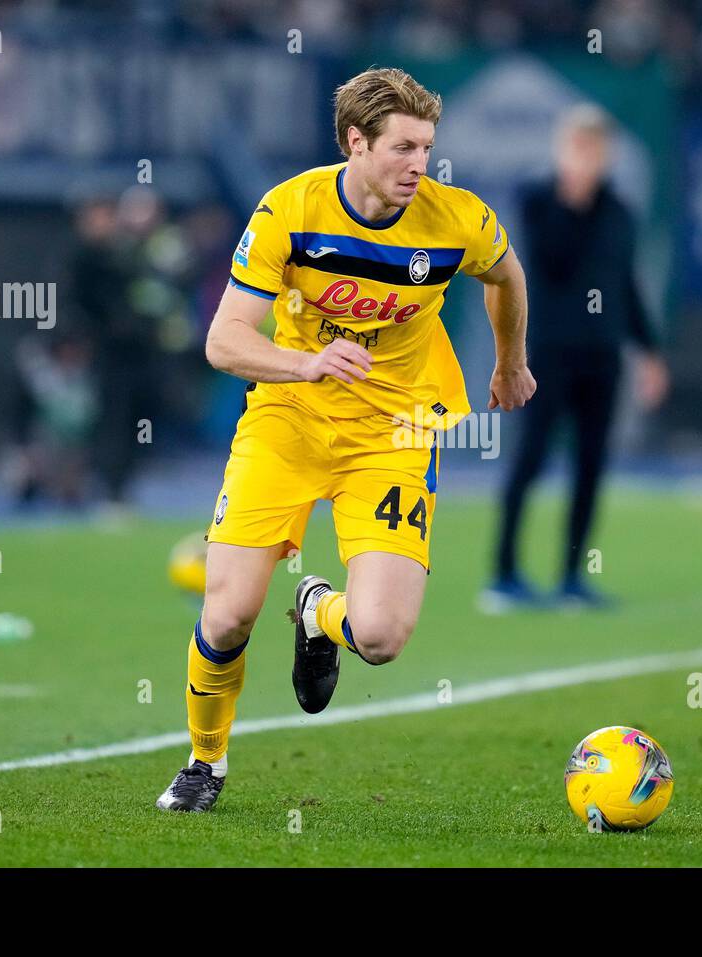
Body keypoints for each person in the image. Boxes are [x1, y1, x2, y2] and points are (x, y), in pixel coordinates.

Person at [156, 67, 536, 812]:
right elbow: (224, 341)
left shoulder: (455, 217)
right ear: (355, 142)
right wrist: (305, 361)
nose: (418, 165)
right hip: (289, 420)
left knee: (382, 635)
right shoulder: (290, 209)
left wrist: (512, 361)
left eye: (426, 146)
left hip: (395, 432)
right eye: (402, 147)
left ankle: (317, 611)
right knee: (228, 611)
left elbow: (507, 275)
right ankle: (205, 761)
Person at [481, 104, 669, 612]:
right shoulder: (539, 201)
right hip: (548, 355)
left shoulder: (620, 212)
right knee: (531, 459)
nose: (587, 156)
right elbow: (552, 263)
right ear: (562, 149)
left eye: (596, 147)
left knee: (590, 465)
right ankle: (503, 576)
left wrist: (649, 352)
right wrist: (573, 200)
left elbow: (626, 287)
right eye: (578, 145)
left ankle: (571, 578)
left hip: (602, 356)